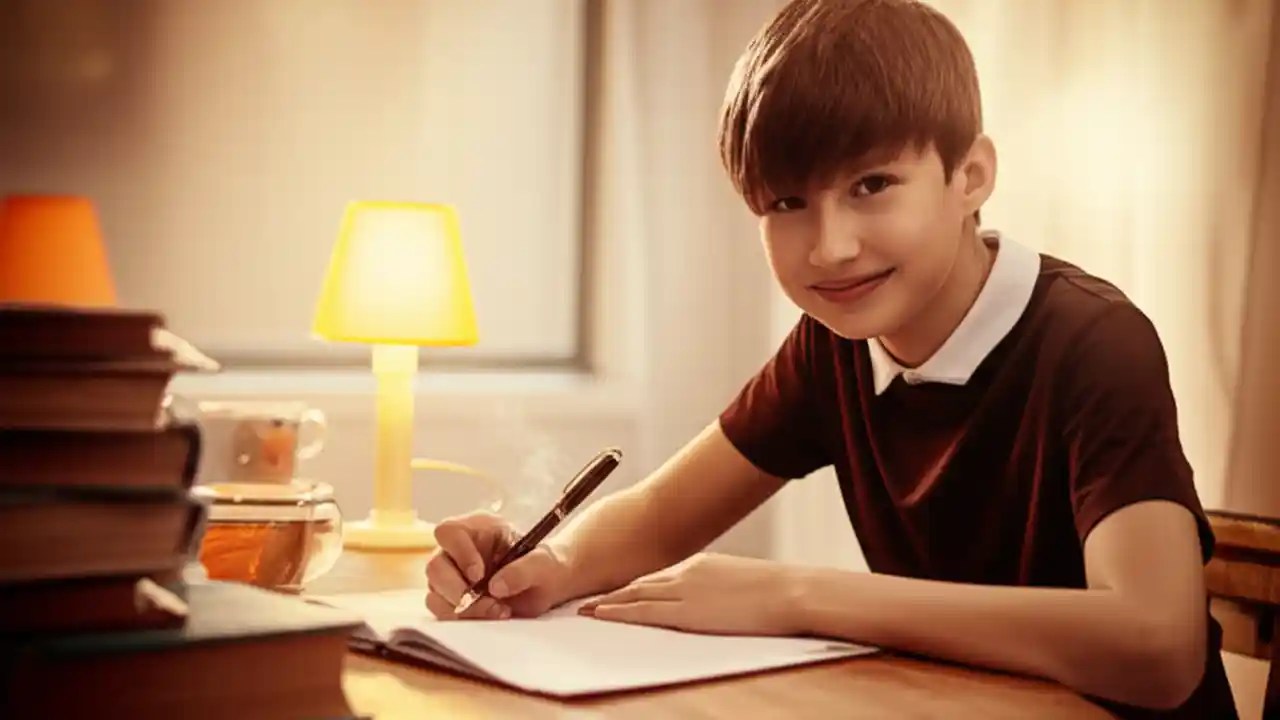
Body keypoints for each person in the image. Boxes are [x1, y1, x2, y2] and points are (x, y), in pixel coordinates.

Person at [423, 0, 1235, 716]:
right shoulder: (835, 346)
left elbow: (1158, 650)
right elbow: (663, 514)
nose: (832, 247)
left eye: (873, 184)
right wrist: (548, 564)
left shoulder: (1092, 341)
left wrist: (796, 593)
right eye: (786, 203)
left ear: (971, 176)